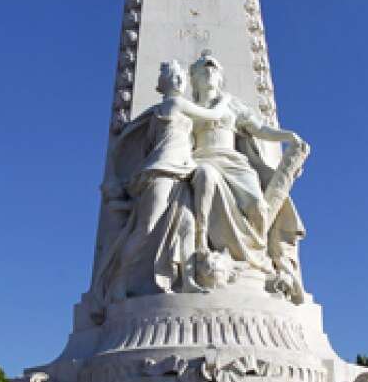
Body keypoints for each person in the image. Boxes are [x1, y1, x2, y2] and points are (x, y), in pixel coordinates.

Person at [91, 60, 231, 302]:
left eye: (180, 77)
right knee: (146, 228)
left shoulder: (157, 113)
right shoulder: (175, 103)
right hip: (163, 172)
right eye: (173, 76)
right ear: (164, 84)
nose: (179, 80)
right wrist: (225, 99)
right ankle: (118, 282)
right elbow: (213, 115)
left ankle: (188, 280)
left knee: (187, 226)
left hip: (182, 173)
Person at [188, 51, 309, 301]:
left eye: (213, 68)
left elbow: (260, 129)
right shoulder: (189, 107)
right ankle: (203, 248)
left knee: (258, 208)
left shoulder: (232, 104)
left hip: (233, 162)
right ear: (194, 78)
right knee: (204, 176)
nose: (209, 72)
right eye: (203, 69)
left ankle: (254, 258)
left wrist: (288, 136)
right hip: (203, 158)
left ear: (220, 77)